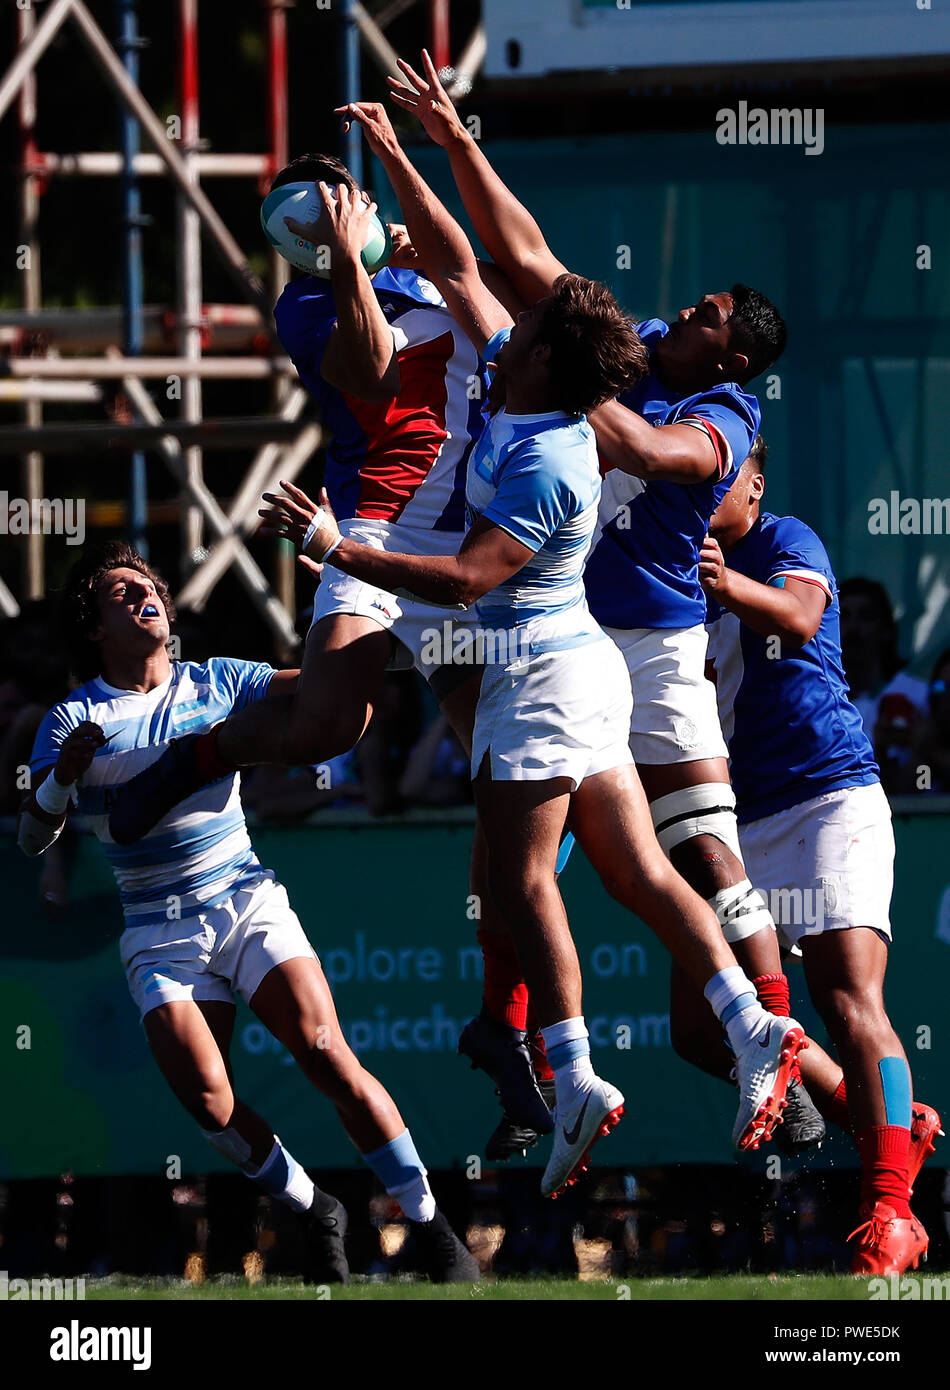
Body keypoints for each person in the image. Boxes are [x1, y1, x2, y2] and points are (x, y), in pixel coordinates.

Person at [254, 101, 807, 1199]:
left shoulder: (563, 440)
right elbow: (475, 264)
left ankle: (575, 1072)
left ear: (551, 361)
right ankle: (751, 1027)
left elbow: (467, 579)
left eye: (529, 329)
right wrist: (410, 156)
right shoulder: (524, 378)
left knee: (521, 877)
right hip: (574, 659)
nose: (504, 326)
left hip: (543, 664)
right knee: (630, 870)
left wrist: (331, 546)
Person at [386, 52, 823, 1155]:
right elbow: (520, 256)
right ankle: (527, 1054)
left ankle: (763, 1045)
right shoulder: (612, 356)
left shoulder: (717, 413)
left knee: (694, 856)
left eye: (706, 311)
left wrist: (569, 379)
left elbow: (650, 451)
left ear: (733, 353)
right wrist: (449, 138)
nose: (685, 307)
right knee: (521, 867)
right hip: (567, 634)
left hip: (650, 646)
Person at [17, 542, 479, 1284]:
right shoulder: (73, 719)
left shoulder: (220, 680)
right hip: (158, 933)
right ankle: (315, 1208)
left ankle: (433, 1228)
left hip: (244, 900)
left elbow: (326, 688)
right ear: (95, 628)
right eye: (120, 591)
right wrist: (62, 778)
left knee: (326, 1054)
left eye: (148, 584)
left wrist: (392, 623)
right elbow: (34, 835)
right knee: (209, 1101)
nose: (143, 595)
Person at [105, 150, 496, 847]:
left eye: (343, 206)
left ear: (365, 203)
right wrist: (348, 263)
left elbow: (520, 315)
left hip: (472, 535)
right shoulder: (306, 303)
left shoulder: (433, 267)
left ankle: (514, 905)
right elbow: (374, 375)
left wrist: (433, 260)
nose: (337, 221)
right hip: (377, 530)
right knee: (330, 728)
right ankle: (195, 757)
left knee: (502, 773)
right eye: (314, 222)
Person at [699, 442, 937, 1275]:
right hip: (734, 821)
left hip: (827, 797)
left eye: (719, 471)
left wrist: (725, 585)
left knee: (847, 998)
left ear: (755, 484)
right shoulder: (670, 565)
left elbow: (798, 618)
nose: (702, 485)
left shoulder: (785, 538)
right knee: (700, 1026)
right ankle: (893, 1128)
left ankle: (891, 1210)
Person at [839, 576, 928, 792]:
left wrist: (923, 745)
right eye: (843, 616)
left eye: (866, 616)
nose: (853, 628)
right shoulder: (817, 701)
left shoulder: (918, 695)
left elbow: (924, 788)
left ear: (886, 630)